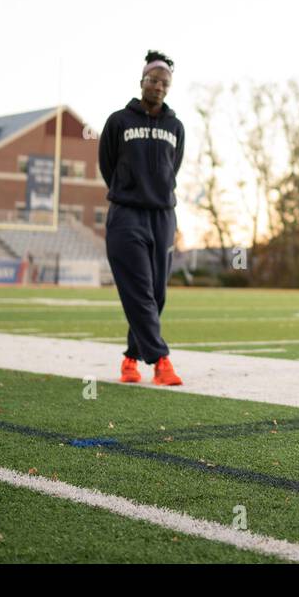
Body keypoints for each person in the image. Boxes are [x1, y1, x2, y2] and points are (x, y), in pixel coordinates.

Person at [97, 49, 187, 386]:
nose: (158, 86)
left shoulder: (175, 126)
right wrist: (129, 191)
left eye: (164, 82)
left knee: (156, 294)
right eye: (153, 80)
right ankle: (161, 361)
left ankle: (130, 360)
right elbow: (107, 165)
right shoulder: (119, 121)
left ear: (169, 87)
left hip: (163, 216)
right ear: (142, 82)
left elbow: (172, 167)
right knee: (138, 291)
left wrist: (157, 194)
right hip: (126, 215)